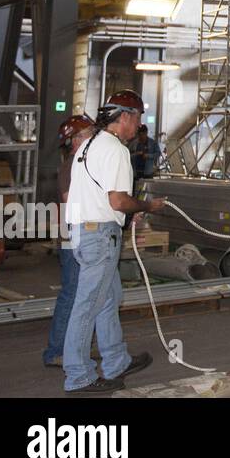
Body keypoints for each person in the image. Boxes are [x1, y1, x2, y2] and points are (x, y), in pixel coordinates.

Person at [62, 90, 166, 395]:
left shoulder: (89, 145)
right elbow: (118, 200)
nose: (139, 125)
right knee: (87, 307)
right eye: (137, 118)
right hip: (99, 237)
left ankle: (116, 360)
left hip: (84, 231)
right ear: (125, 117)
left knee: (107, 299)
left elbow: (96, 196)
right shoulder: (116, 150)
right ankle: (78, 375)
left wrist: (117, 215)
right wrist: (147, 207)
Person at [44, 114, 95, 368]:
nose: (93, 138)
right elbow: (71, 205)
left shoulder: (82, 165)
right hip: (73, 238)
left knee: (82, 294)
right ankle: (55, 351)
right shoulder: (70, 168)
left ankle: (76, 346)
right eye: (88, 134)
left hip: (78, 235)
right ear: (75, 141)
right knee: (71, 293)